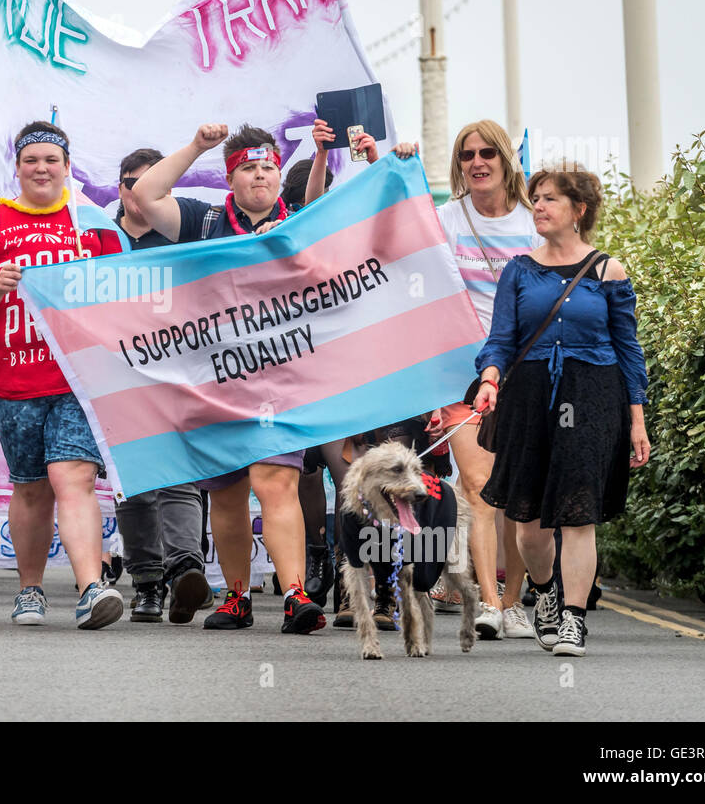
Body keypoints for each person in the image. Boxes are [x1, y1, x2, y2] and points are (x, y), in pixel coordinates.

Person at [330, 120, 540, 640]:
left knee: (520, 494)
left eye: (488, 152)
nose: (477, 161)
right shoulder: (447, 217)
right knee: (480, 486)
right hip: (461, 373)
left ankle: (514, 601)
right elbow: (392, 236)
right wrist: (386, 162)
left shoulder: (534, 222)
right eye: (467, 154)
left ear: (506, 159)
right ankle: (489, 603)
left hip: (527, 370)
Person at [125, 122, 324, 634]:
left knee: (274, 481)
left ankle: (295, 594)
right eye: (249, 169)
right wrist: (197, 146)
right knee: (228, 491)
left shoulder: (300, 220)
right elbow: (146, 195)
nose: (261, 177)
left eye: (269, 168)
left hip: (281, 377)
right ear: (230, 178)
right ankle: (237, 598)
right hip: (212, 377)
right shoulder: (203, 218)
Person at [0, 120, 125, 629]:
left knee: (72, 480)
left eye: (52, 159)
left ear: (67, 166)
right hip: (10, 382)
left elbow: (121, 301)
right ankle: (29, 591)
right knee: (30, 487)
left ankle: (92, 588)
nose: (42, 168)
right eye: (32, 160)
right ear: (18, 167)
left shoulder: (92, 226)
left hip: (78, 381)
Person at [474, 161, 650, 656]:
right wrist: (489, 378)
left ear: (580, 210)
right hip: (529, 397)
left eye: (550, 198)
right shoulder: (518, 270)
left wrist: (636, 421)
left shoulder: (607, 270)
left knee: (578, 514)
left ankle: (574, 619)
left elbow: (630, 351)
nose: (539, 207)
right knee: (528, 524)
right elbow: (500, 340)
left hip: (593, 394)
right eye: (537, 198)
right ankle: (545, 591)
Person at [110, 148, 211, 623]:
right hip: (116, 374)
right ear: (120, 187)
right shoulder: (99, 238)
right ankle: (147, 581)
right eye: (132, 182)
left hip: (178, 367)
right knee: (134, 484)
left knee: (179, 472)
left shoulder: (183, 234)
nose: (139, 191)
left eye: (153, 182)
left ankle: (186, 570)